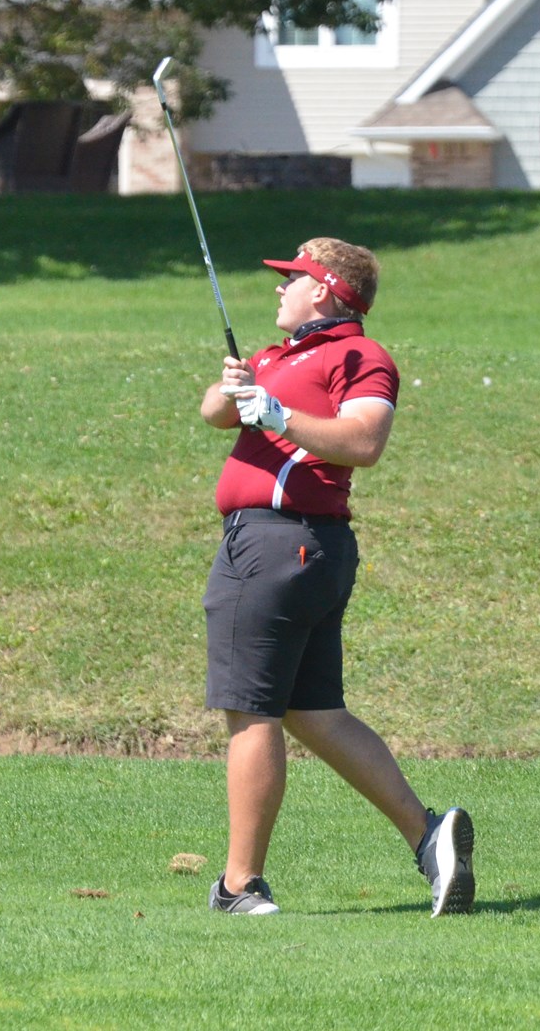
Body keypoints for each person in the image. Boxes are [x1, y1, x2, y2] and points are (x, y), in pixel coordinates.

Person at [197, 236, 474, 918]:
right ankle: (427, 835)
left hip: (277, 545)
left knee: (252, 709)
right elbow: (212, 414)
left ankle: (240, 885)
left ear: (323, 289)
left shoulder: (360, 356)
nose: (278, 289)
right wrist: (236, 390)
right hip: (292, 551)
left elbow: (365, 441)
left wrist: (280, 414)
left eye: (290, 279)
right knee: (311, 711)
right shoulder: (276, 357)